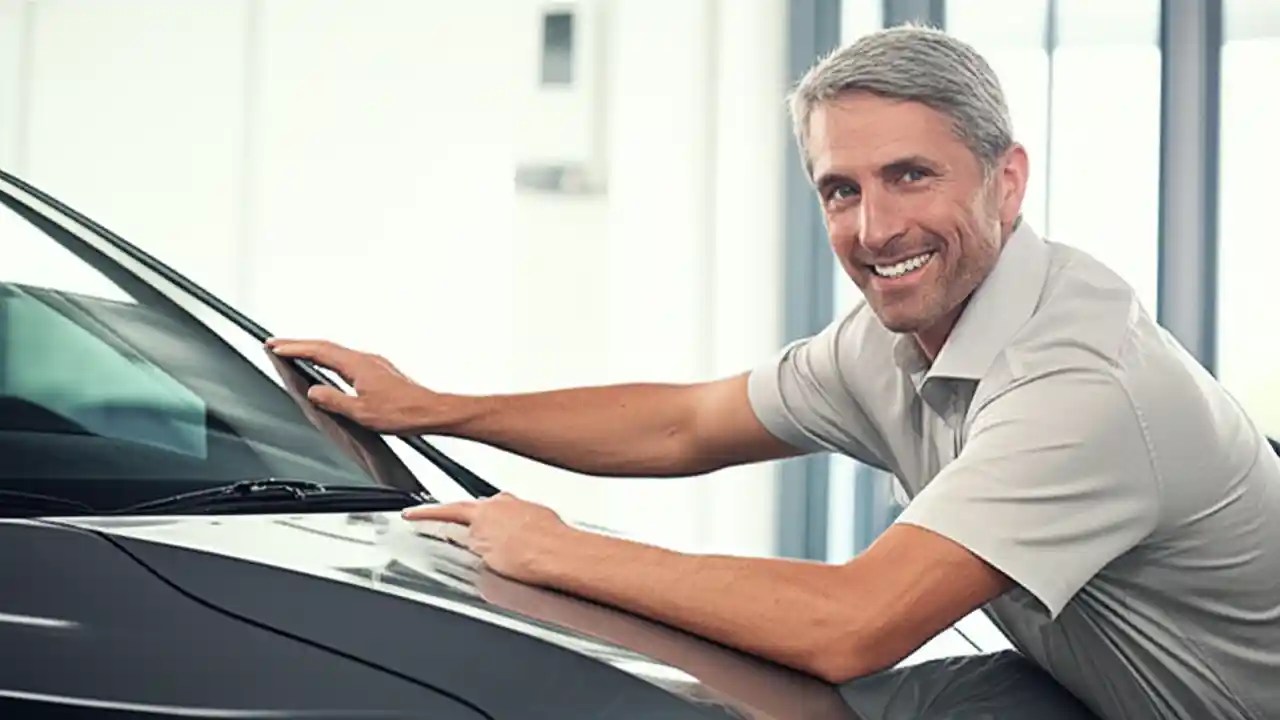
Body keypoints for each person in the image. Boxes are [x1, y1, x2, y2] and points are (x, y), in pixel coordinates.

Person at [267, 25, 1280, 720]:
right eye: (840, 189)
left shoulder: (1080, 383)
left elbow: (852, 623)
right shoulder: (890, 338)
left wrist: (550, 548)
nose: (874, 230)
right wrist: (437, 410)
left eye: (910, 177)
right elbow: (686, 425)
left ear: (1004, 180)